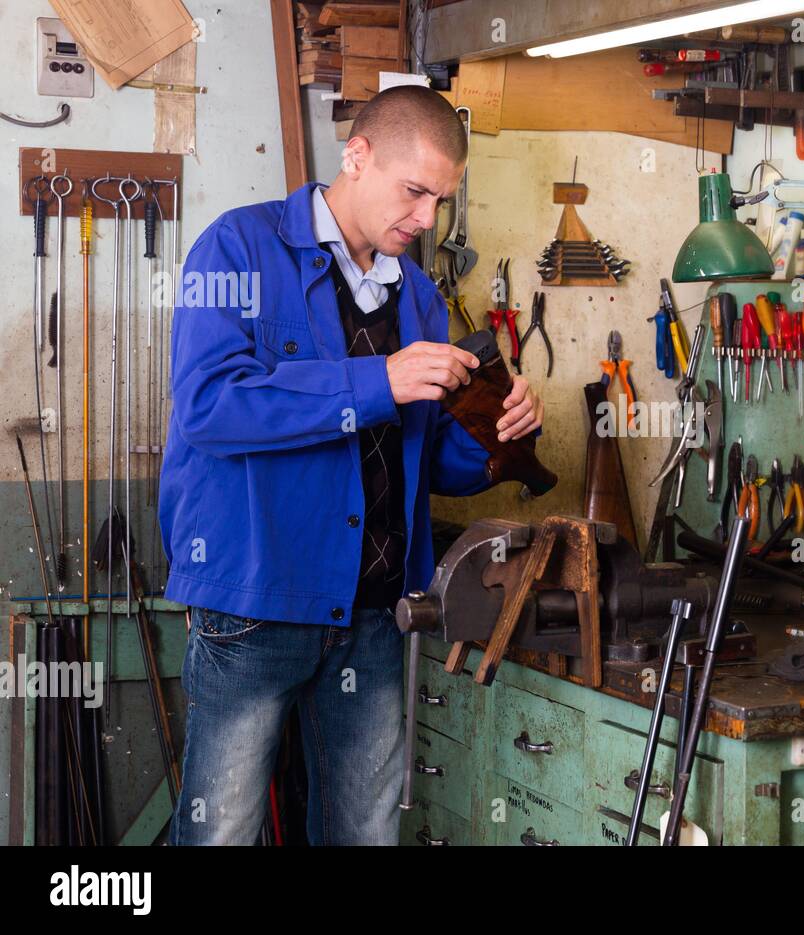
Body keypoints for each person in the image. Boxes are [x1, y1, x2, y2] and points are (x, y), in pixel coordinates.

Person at [159, 85, 543, 844]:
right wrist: (378, 380)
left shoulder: (422, 298)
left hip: (375, 612)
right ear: (357, 157)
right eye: (416, 192)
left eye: (441, 200)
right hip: (256, 605)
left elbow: (425, 459)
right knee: (221, 831)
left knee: (363, 833)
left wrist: (499, 441)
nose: (427, 218)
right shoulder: (238, 249)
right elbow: (208, 405)